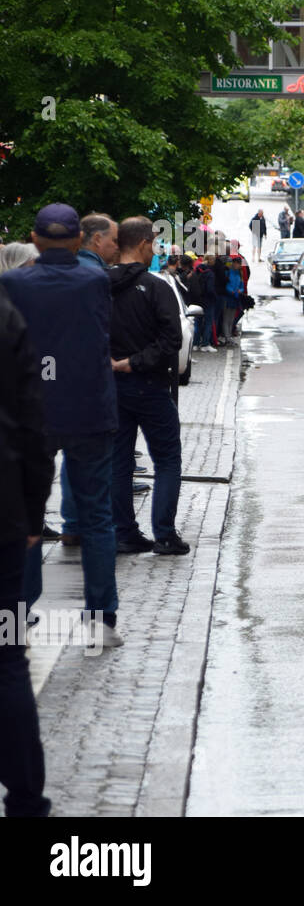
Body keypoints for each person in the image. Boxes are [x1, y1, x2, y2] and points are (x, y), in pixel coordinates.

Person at [0, 204, 121, 649]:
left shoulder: (11, 283)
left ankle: (15, 617)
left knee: (22, 514)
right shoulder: (94, 280)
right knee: (97, 518)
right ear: (77, 241)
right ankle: (100, 620)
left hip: (30, 414)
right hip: (88, 410)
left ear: (34, 238)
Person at [0, 278, 55, 817]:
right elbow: (33, 427)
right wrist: (35, 511)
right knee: (6, 658)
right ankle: (25, 798)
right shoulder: (6, 316)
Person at [107, 217, 187, 557]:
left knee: (118, 461)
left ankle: (124, 533)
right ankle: (165, 535)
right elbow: (172, 339)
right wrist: (136, 362)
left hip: (109, 386)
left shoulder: (97, 285)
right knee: (167, 459)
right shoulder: (156, 287)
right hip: (150, 386)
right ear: (143, 244)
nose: (154, 249)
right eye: (153, 243)